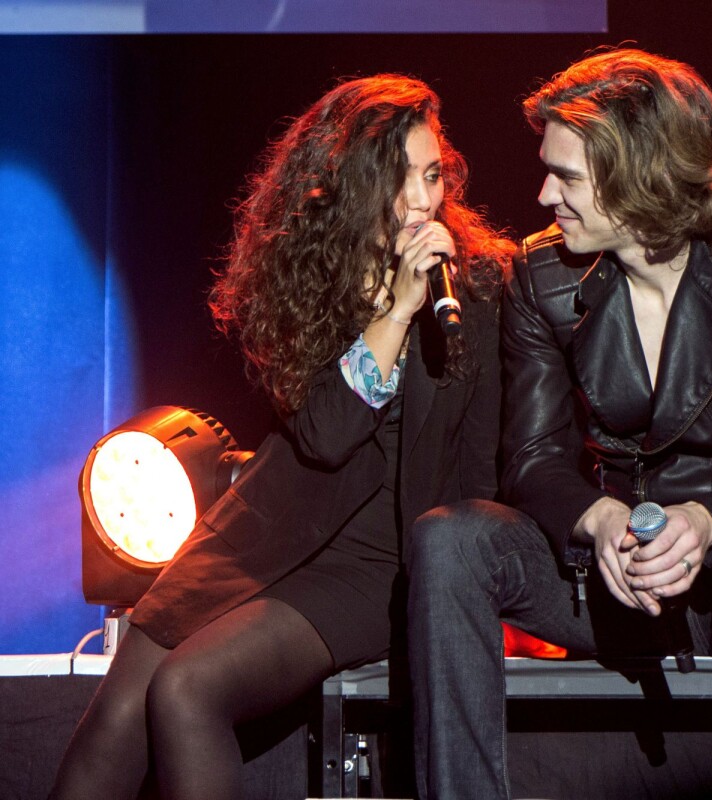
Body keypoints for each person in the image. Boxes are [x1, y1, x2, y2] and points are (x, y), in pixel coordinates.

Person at [406, 48, 712, 799]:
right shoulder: (542, 276)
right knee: (450, 539)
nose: (544, 194)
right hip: (613, 580)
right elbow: (532, 459)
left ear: (636, 175)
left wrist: (707, 523)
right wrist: (598, 520)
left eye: (566, 177)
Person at [49, 74, 511, 800]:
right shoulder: (300, 273)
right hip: (270, 526)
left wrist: (462, 586)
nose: (424, 199)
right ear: (351, 183)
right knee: (117, 711)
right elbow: (325, 433)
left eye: (432, 175)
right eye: (400, 178)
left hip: (379, 559)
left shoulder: (475, 288)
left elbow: (481, 465)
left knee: (187, 689)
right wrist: (392, 314)